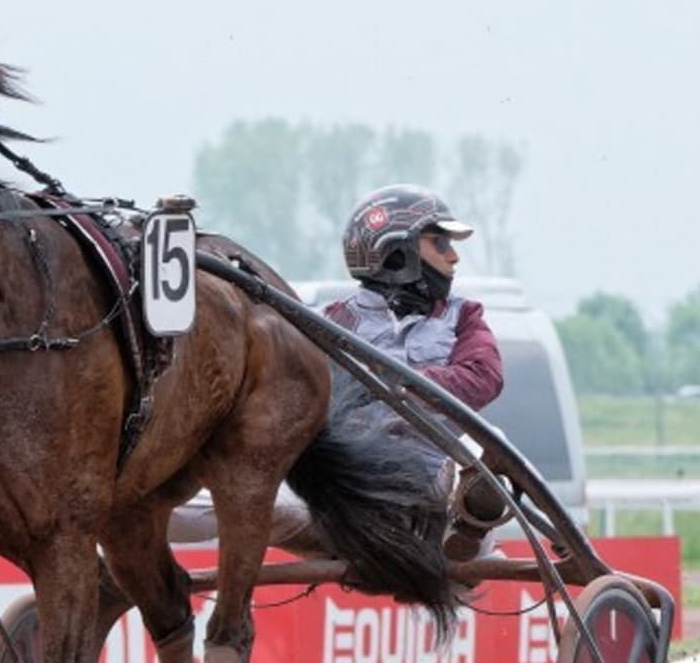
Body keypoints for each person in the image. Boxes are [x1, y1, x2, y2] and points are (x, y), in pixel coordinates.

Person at [168, 184, 505, 560]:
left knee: (490, 446)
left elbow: (484, 377)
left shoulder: (464, 316)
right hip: (346, 485)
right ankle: (126, 516)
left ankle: (469, 529)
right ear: (397, 252)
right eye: (440, 243)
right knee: (219, 496)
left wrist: (395, 377)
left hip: (431, 479)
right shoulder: (330, 322)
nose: (454, 257)